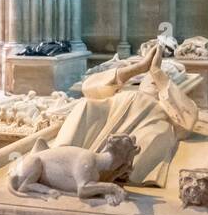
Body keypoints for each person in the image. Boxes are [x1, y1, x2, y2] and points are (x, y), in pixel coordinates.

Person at [54, 44, 199, 187]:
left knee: (157, 134)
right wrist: (139, 67)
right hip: (112, 112)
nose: (152, 81)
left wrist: (157, 71)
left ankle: (117, 171)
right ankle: (59, 155)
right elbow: (88, 87)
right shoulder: (123, 93)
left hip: (148, 124)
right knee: (86, 104)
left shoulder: (164, 106)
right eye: (149, 79)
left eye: (157, 82)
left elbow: (188, 119)